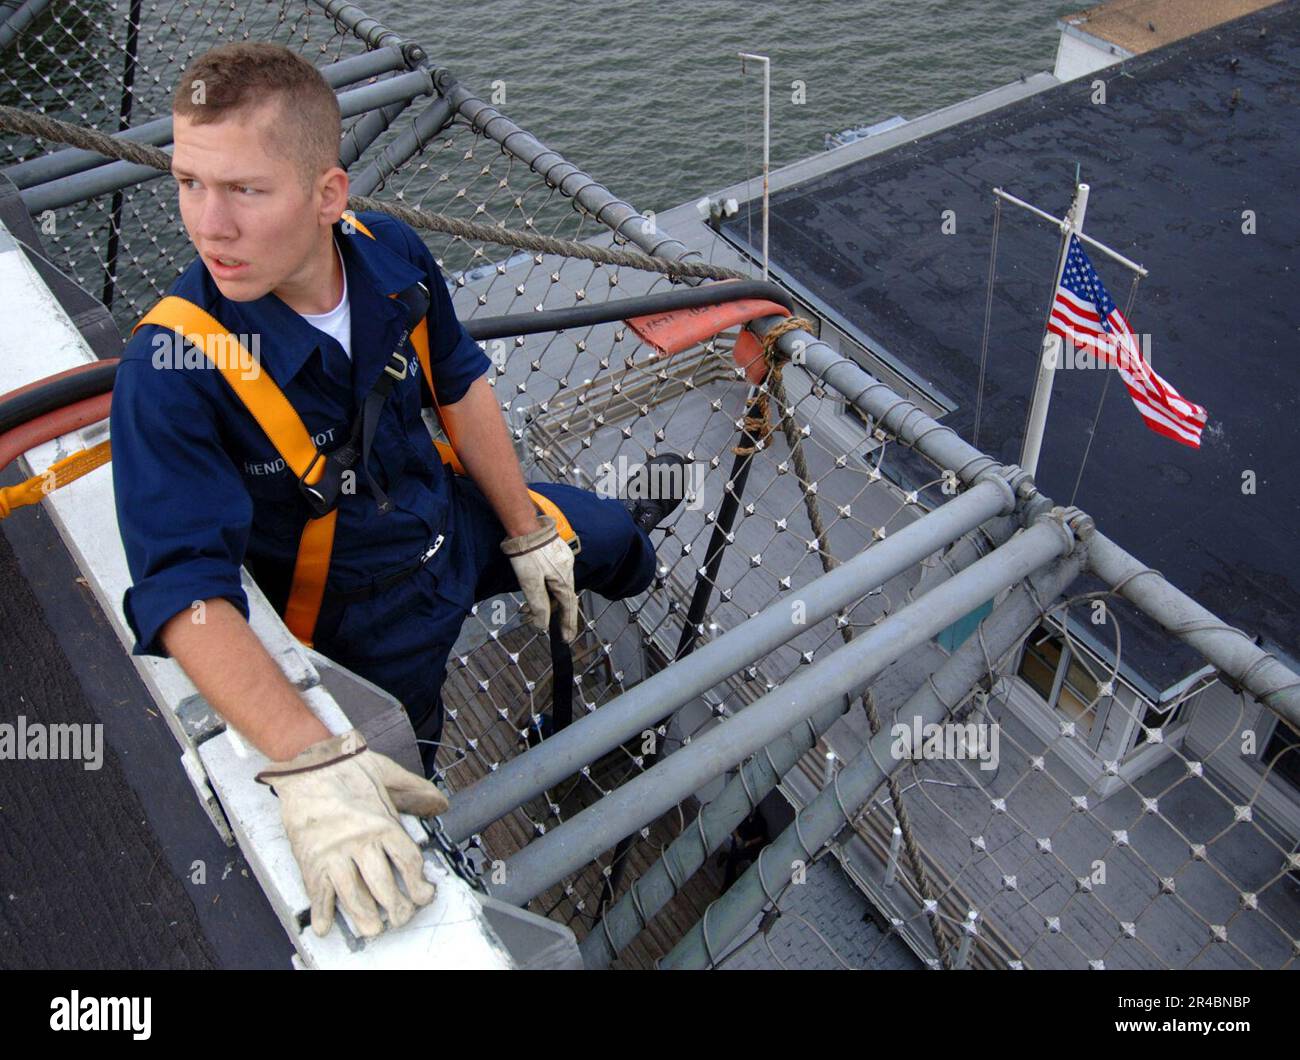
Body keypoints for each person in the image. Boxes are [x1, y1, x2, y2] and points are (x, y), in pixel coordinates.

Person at [109, 42, 682, 939]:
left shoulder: (392, 257)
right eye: (187, 183)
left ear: (328, 196)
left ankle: (615, 583)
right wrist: (309, 762)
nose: (206, 225)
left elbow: (456, 383)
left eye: (244, 191)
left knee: (605, 536)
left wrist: (526, 532)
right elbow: (184, 589)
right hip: (353, 618)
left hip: (446, 519)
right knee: (409, 746)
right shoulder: (172, 367)